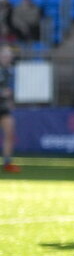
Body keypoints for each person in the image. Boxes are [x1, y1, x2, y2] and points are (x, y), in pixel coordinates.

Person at [0, 45, 18, 173]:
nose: (7, 57)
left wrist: (10, 101)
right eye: (5, 55)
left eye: (9, 55)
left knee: (10, 134)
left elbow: (10, 91)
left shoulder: (10, 71)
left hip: (4, 107)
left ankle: (7, 162)